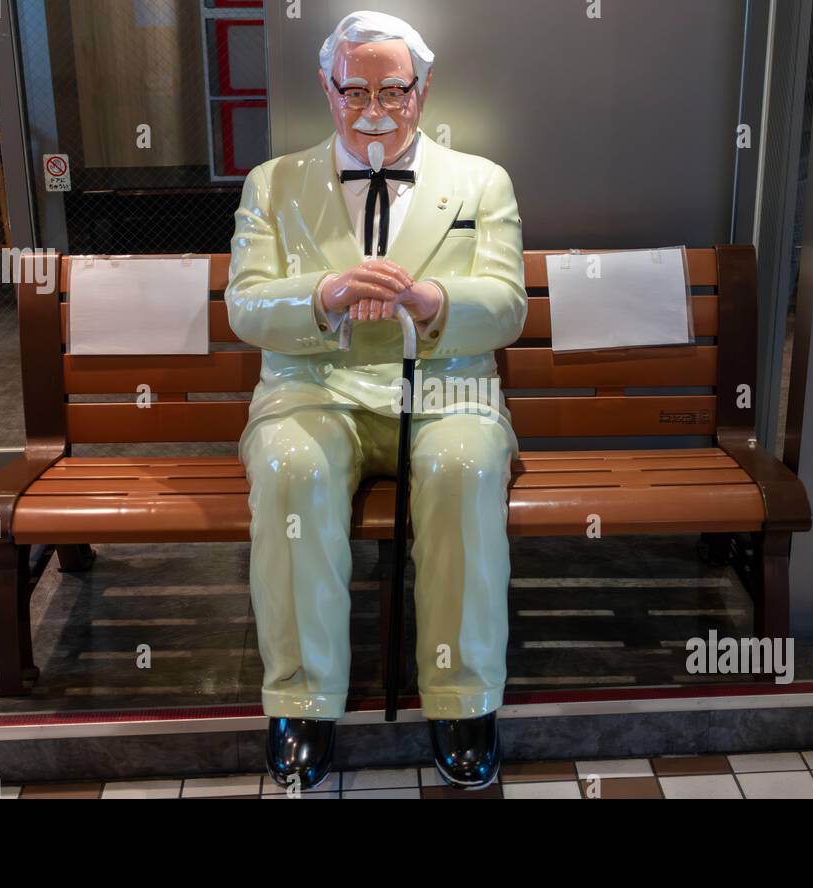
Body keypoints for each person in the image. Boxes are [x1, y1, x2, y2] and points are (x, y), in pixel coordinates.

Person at [227, 10, 525, 790]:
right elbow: (246, 305)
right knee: (295, 469)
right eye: (355, 89)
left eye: (394, 90)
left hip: (446, 384)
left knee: (462, 466)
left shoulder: (481, 182)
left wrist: (432, 302)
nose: (375, 109)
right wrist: (323, 295)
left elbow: (508, 303)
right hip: (312, 387)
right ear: (327, 90)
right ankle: (302, 699)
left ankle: (464, 697)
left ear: (422, 92)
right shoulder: (273, 184)